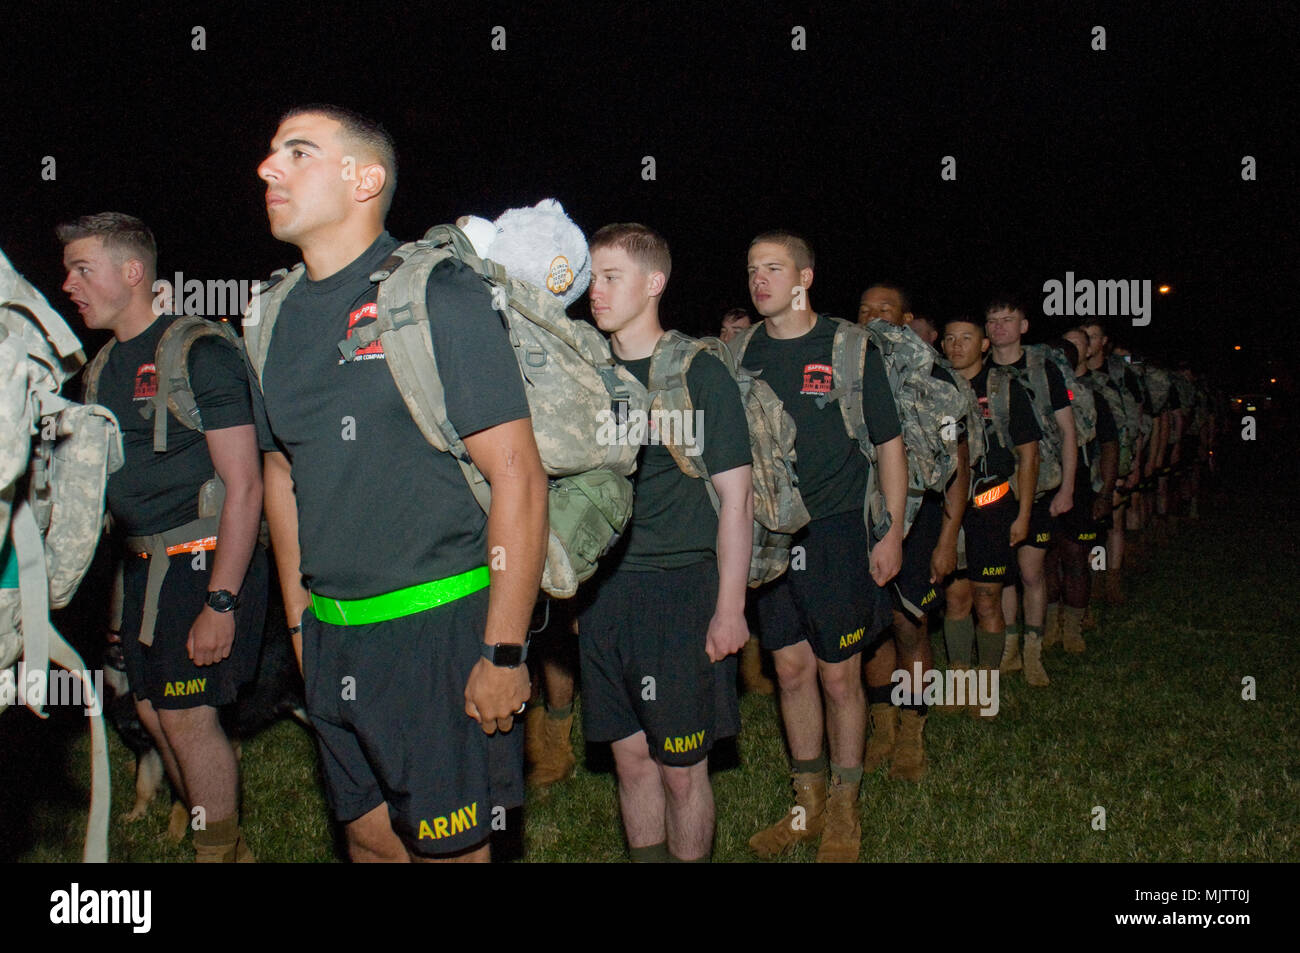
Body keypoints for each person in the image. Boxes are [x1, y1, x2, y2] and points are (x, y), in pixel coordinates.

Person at [252, 105, 548, 862]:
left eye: (298, 152)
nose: (268, 168)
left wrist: (505, 652)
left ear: (364, 178)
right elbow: (282, 471)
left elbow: (517, 476)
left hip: (438, 630)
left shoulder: (437, 298)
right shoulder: (271, 316)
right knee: (368, 837)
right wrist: (299, 627)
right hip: (331, 633)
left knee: (450, 853)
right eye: (271, 152)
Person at [60, 212, 266, 862]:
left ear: (133, 272)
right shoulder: (100, 369)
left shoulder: (198, 350)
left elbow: (247, 486)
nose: (68, 283)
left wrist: (222, 600)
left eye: (82, 269)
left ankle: (217, 851)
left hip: (200, 559)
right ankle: (220, 835)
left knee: (183, 714)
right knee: (149, 711)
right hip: (140, 565)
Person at [577, 223, 752, 862]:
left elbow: (738, 497)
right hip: (604, 593)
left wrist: (730, 608)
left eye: (610, 277)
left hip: (680, 591)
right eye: (590, 276)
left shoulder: (697, 372)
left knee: (681, 770)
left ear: (654, 283)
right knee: (631, 763)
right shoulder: (583, 371)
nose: (593, 291)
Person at [740, 232, 907, 862]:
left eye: (773, 268)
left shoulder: (848, 346)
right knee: (788, 668)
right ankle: (804, 802)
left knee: (840, 676)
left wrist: (890, 531)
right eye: (753, 269)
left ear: (804, 277)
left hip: (836, 530)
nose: (760, 280)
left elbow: (890, 444)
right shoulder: (743, 352)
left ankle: (845, 802)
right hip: (771, 533)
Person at [858, 283, 969, 780]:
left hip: (919, 516)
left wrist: (948, 539)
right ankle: (881, 727)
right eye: (865, 309)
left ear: (906, 319)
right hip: (858, 517)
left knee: (909, 623)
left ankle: (911, 731)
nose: (873, 316)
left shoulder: (935, 377)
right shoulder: (845, 369)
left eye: (885, 309)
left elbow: (959, 464)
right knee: (869, 629)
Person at [939, 317, 1039, 709]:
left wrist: (1024, 515)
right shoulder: (937, 389)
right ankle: (960, 681)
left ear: (983, 345)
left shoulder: (1004, 388)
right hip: (950, 511)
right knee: (955, 599)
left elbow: (1028, 456)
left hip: (992, 507)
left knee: (987, 600)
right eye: (949, 338)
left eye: (966, 338)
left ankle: (986, 688)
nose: (956, 345)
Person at [985, 295, 1077, 687]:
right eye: (993, 321)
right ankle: (1009, 647)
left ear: (1024, 326)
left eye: (1008, 319)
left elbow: (1068, 433)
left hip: (1040, 486)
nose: (999, 327)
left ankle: (1034, 650)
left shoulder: (1044, 371)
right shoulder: (982, 372)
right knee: (1002, 574)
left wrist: (1067, 488)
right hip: (995, 491)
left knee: (1031, 572)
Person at [1041, 331, 1118, 654]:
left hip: (1082, 485)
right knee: (1045, 557)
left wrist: (1106, 493)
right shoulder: (1034, 393)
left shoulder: (1088, 397)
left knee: (1075, 557)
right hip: (1043, 485)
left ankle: (1073, 627)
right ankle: (1049, 624)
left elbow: (1110, 445)